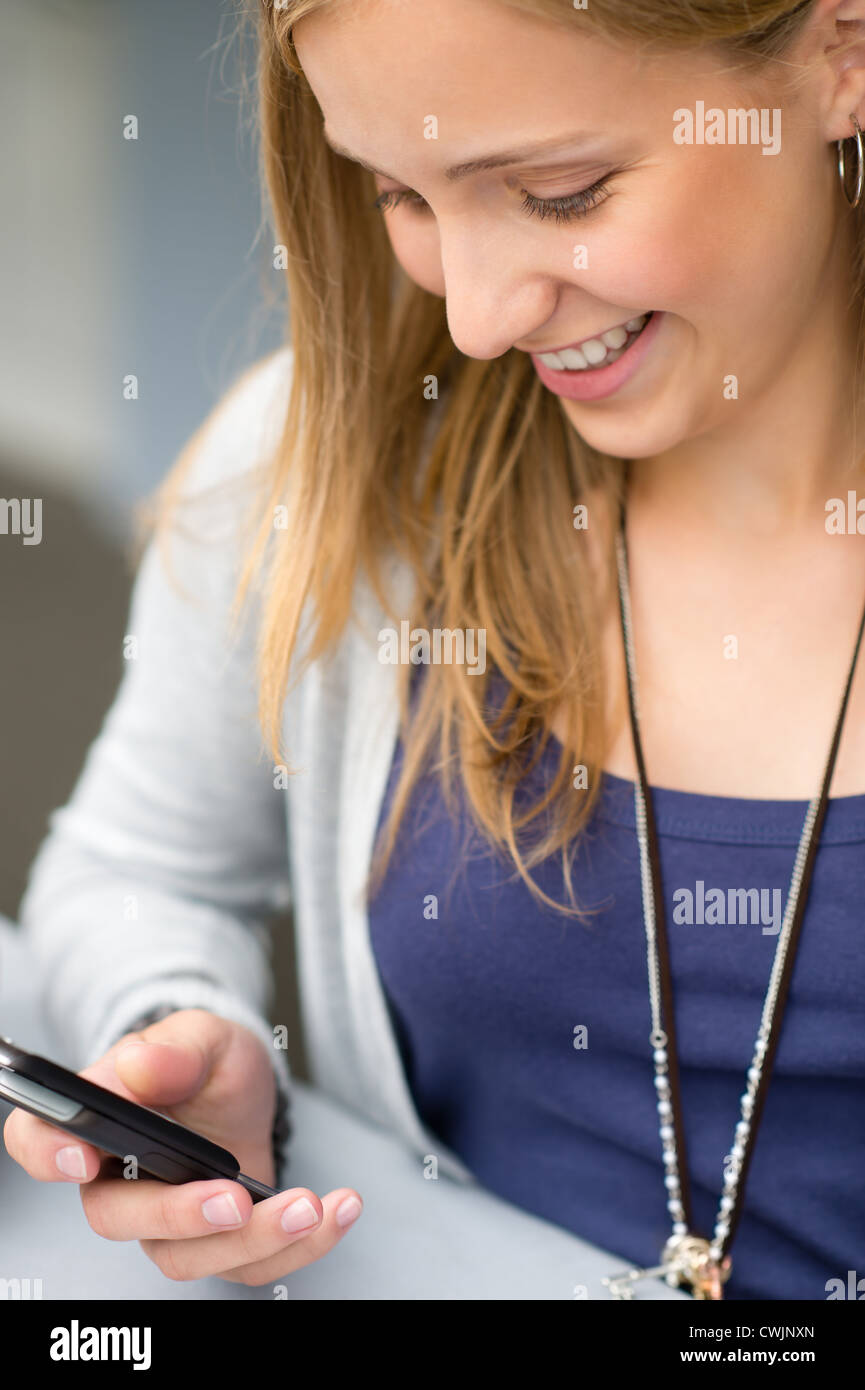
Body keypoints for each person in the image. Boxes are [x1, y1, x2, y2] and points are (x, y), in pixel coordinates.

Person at [5, 0, 865, 1299]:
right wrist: (183, 1034)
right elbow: (138, 866)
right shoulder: (329, 464)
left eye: (559, 192)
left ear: (840, 53)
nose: (472, 317)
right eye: (396, 192)